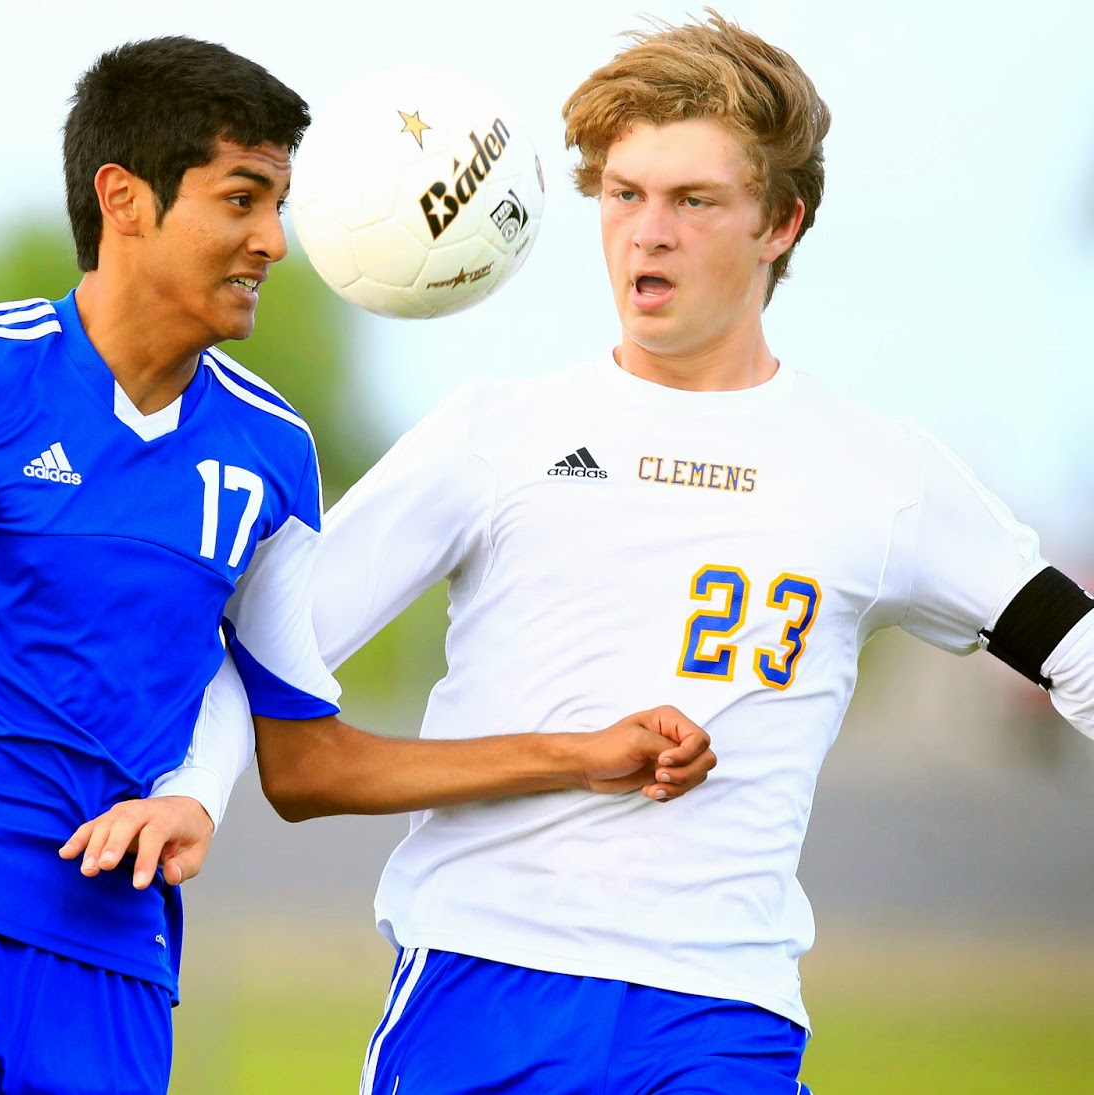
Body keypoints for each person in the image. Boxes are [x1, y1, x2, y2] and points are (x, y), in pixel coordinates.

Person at [0, 35, 716, 1095]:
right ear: (125, 201)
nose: (273, 239)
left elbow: (304, 760)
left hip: (117, 955)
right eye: (242, 199)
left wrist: (580, 755)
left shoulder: (268, 452)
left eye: (281, 203)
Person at [301, 13, 1094, 1094]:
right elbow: (269, 647)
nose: (646, 233)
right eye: (623, 194)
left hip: (721, 1014)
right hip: (481, 987)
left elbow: (1074, 647)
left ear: (782, 221)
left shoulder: (880, 472)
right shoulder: (494, 433)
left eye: (693, 201)